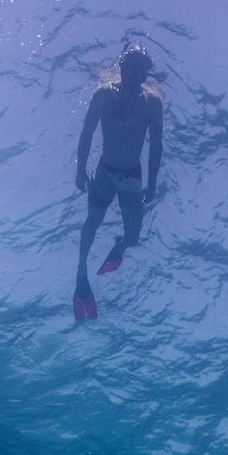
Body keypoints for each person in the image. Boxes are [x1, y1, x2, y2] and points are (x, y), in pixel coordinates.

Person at [73, 44, 163, 320]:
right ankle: (81, 276)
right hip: (105, 172)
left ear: (146, 72)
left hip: (132, 176)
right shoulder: (103, 95)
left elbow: (157, 145)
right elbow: (87, 132)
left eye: (141, 69)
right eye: (130, 67)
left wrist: (153, 182)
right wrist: (80, 169)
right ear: (121, 68)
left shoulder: (152, 102)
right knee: (91, 223)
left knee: (133, 238)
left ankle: (119, 247)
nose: (135, 74)